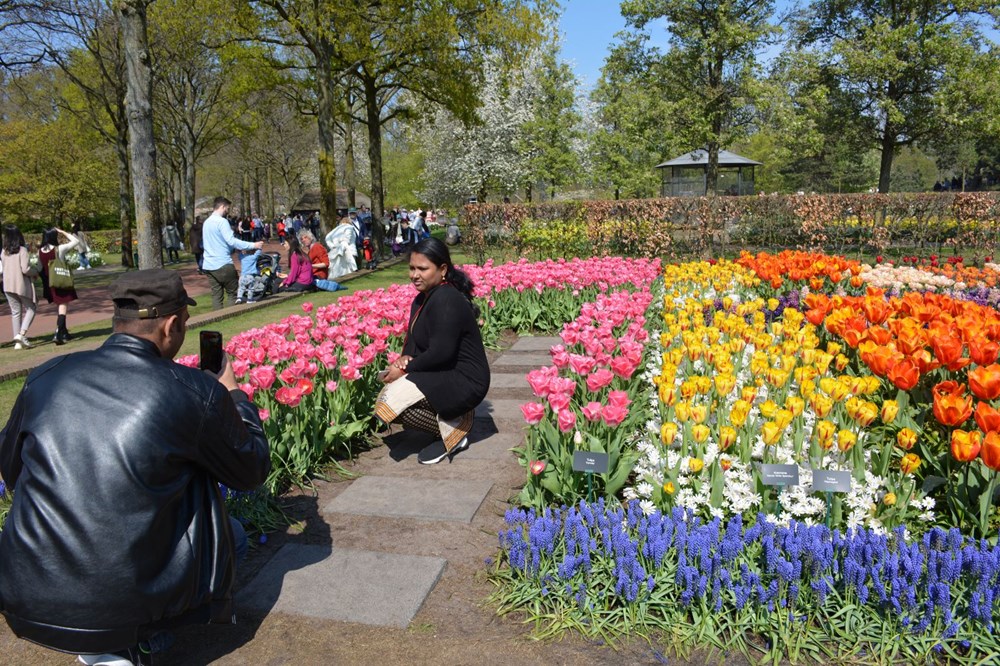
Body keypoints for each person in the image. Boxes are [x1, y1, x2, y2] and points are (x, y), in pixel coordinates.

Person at [0, 269, 270, 665]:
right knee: (234, 535)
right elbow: (251, 471)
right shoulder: (193, 391)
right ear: (173, 324)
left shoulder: (46, 376)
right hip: (117, 595)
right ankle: (139, 642)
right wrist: (235, 396)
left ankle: (103, 640)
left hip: (26, 591)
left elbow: (11, 471)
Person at [374, 237, 490, 464]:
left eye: (422, 269)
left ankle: (454, 432)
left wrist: (406, 369)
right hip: (441, 372)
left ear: (443, 269)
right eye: (411, 268)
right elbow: (412, 346)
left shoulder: (447, 299)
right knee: (391, 397)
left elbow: (442, 353)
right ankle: (452, 420)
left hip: (465, 379)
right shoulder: (421, 300)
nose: (414, 275)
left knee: (392, 405)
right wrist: (404, 360)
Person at [202, 196, 263, 310]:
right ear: (222, 206)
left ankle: (216, 319)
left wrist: (237, 249)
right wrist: (253, 245)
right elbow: (231, 240)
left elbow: (218, 242)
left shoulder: (207, 222)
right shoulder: (222, 221)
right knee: (233, 293)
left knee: (216, 295)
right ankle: (230, 315)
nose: (227, 211)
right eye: (227, 208)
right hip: (223, 263)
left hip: (209, 265)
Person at [38, 227, 81, 345]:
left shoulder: (40, 251)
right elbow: (76, 241)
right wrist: (63, 232)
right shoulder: (59, 249)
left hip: (49, 282)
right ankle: (58, 332)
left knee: (59, 305)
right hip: (60, 280)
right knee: (62, 306)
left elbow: (39, 267)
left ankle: (65, 332)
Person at [1, 224, 37, 349]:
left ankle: (18, 342)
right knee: (31, 308)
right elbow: (25, 269)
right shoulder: (22, 250)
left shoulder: (4, 251)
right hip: (20, 284)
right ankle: (21, 334)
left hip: (8, 285)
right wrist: (36, 271)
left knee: (15, 312)